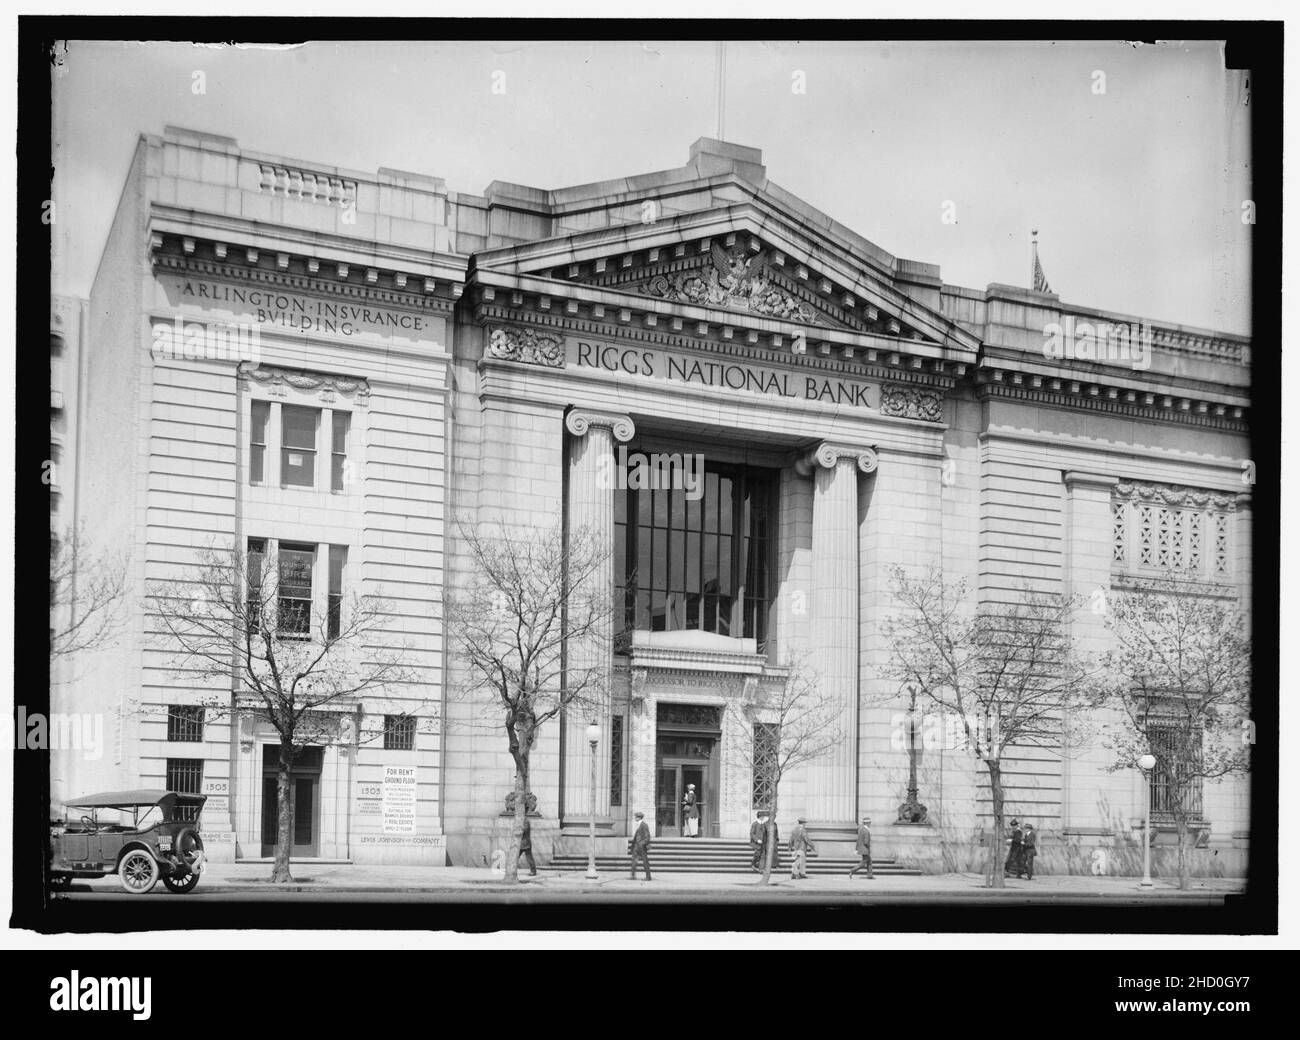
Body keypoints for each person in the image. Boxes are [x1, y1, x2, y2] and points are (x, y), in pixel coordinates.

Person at [628, 810, 652, 880]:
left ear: (639, 817)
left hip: (642, 847)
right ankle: (632, 876)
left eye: (635, 817)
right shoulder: (637, 825)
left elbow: (647, 837)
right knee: (634, 861)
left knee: (645, 861)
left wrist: (642, 844)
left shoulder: (644, 825)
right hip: (636, 846)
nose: (635, 818)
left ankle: (648, 876)